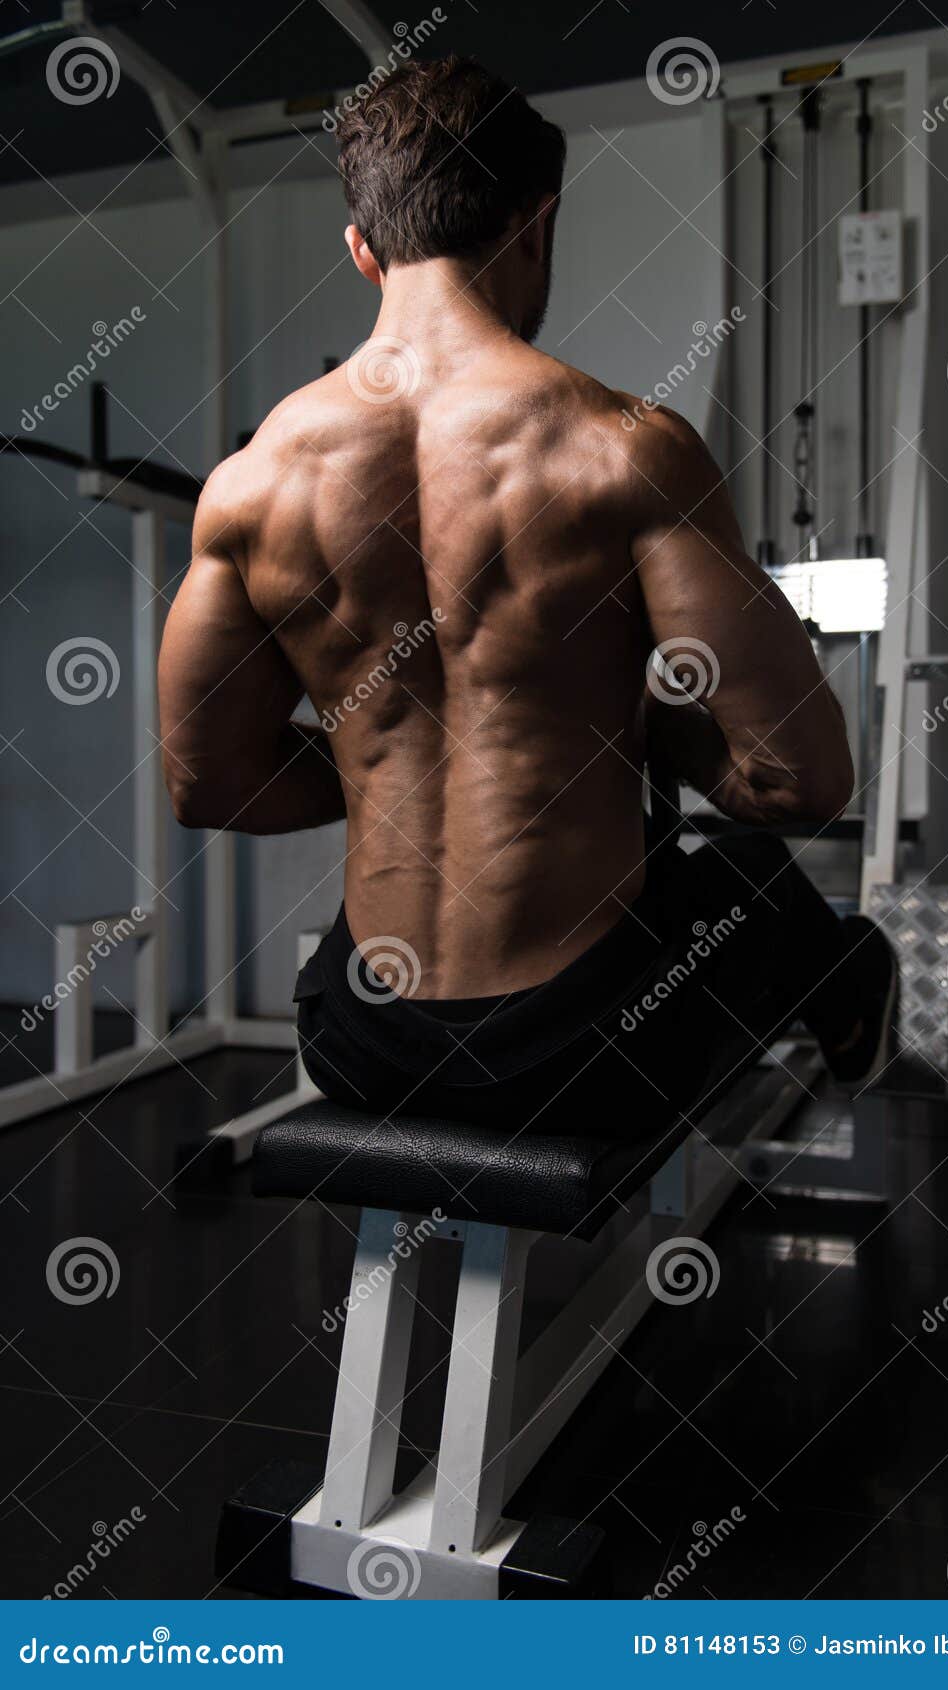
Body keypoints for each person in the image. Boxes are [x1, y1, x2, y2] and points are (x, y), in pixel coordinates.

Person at [158, 57, 896, 1140]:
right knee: (754, 874)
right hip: (591, 1048)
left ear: (362, 250)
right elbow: (805, 777)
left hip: (363, 1040)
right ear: (536, 223)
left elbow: (209, 783)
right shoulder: (621, 450)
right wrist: (628, 732)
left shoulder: (248, 487)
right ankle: (850, 1001)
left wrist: (388, 756)